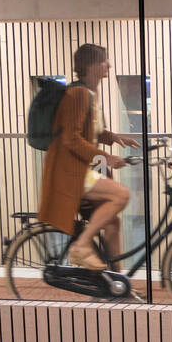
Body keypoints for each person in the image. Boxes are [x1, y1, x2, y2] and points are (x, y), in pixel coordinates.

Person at [37, 43, 140, 269]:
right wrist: (107, 157)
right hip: (69, 172)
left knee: (112, 223)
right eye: (104, 60)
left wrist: (113, 137)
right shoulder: (78, 94)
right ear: (92, 66)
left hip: (80, 169)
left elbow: (91, 131)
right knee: (121, 195)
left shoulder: (89, 93)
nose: (109, 64)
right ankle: (81, 246)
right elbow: (70, 139)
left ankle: (117, 282)